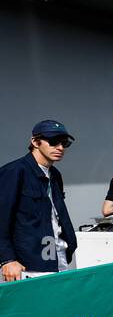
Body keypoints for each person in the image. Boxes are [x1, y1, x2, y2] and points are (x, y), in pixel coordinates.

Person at [0, 120, 78, 280]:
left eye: (64, 143)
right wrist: (7, 259)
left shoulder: (55, 174)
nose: (60, 147)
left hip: (57, 257)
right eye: (54, 141)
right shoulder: (14, 171)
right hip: (28, 264)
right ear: (35, 142)